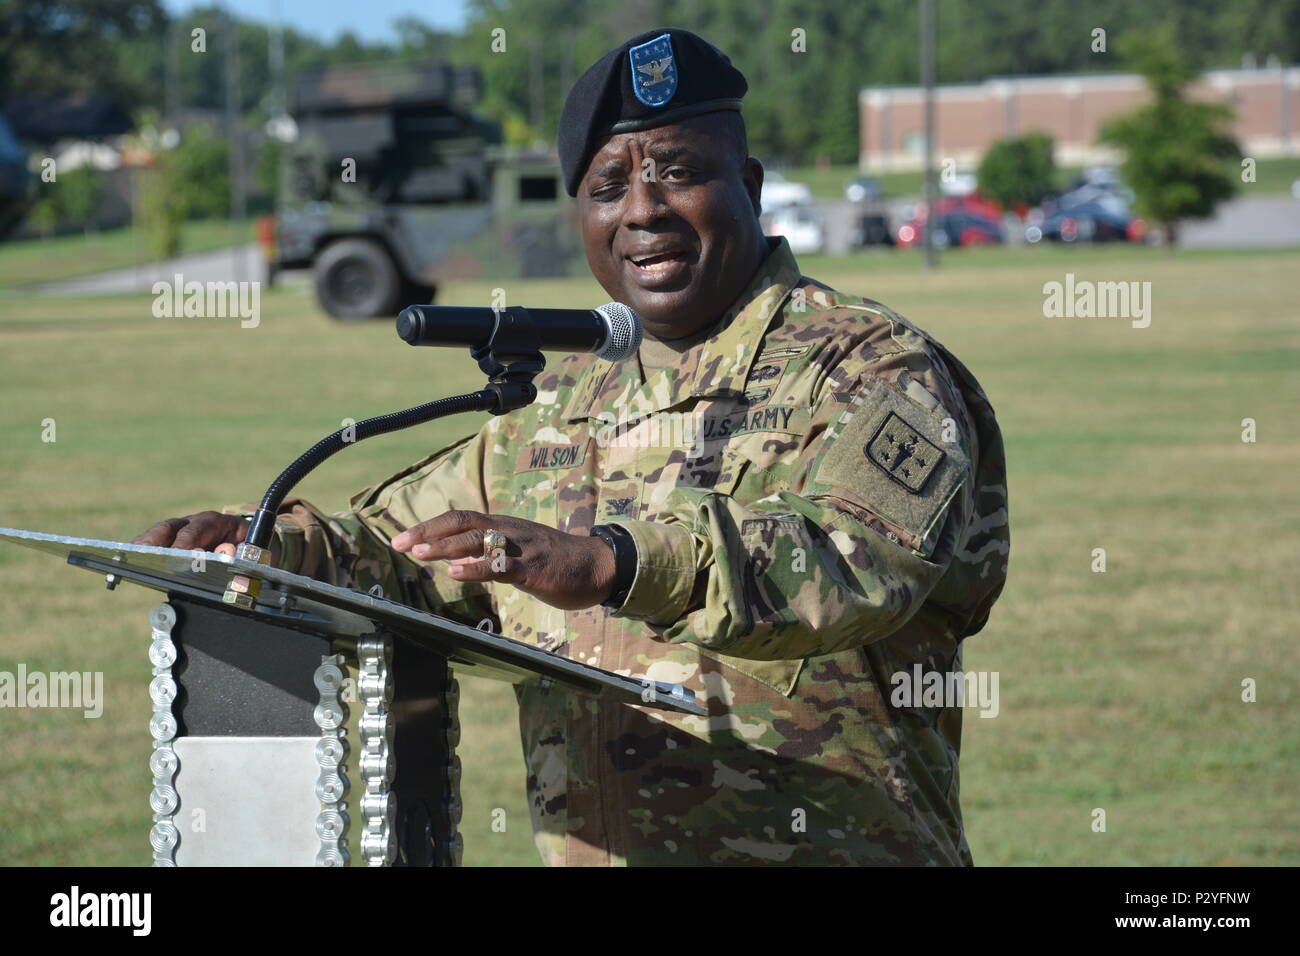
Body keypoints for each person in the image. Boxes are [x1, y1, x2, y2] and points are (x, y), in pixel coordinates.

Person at [134, 27, 1009, 866]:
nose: (644, 210)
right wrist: (265, 547)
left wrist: (611, 564)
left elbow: (856, 564)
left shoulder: (875, 369)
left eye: (680, 173)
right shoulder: (559, 404)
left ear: (748, 181)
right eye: (607, 187)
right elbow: (400, 554)